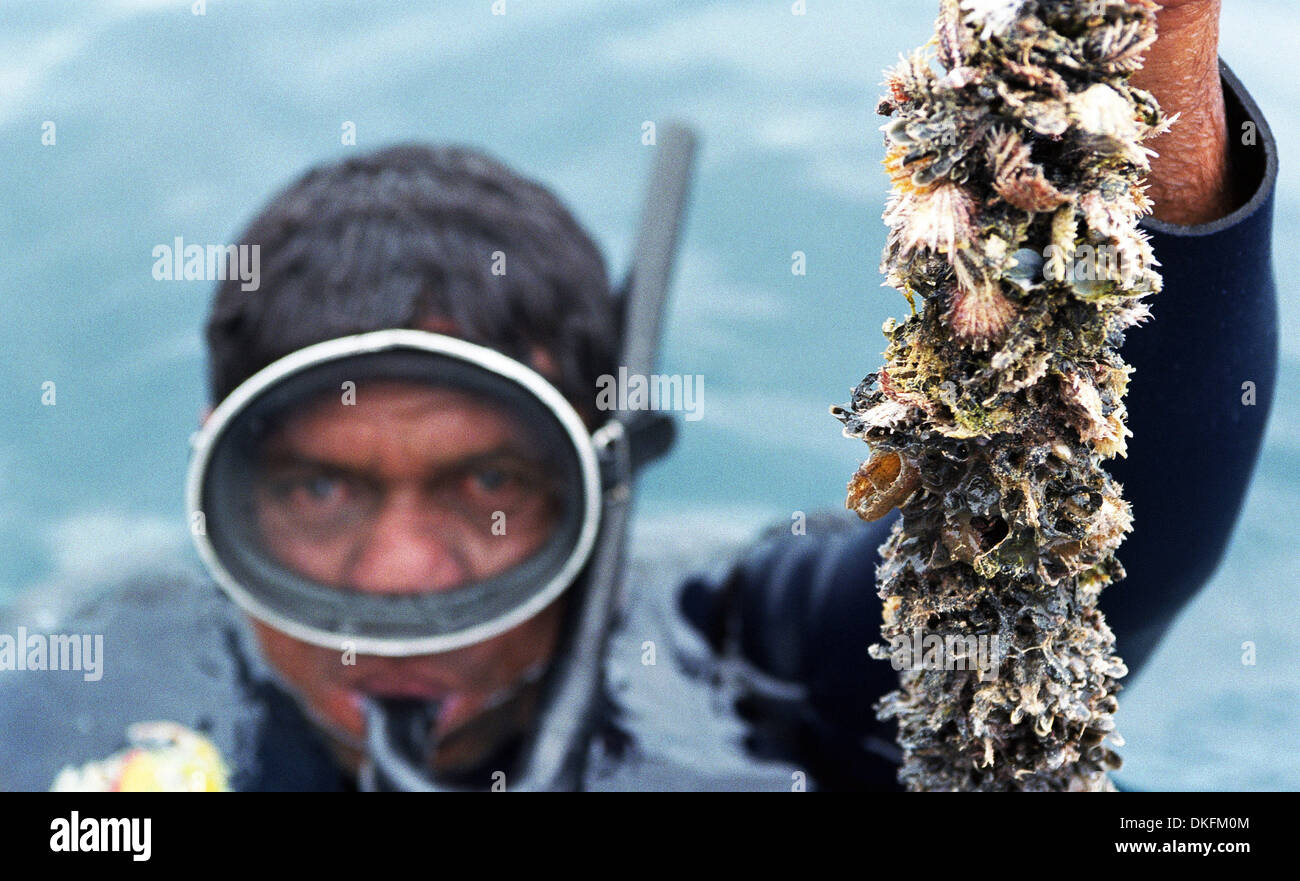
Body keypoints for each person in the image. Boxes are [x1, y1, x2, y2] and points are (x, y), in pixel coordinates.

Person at [0, 0, 1278, 790]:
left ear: (600, 475)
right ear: (219, 487)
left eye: (489, 482)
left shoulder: (756, 662)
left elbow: (1078, 546)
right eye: (319, 484)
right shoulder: (66, 689)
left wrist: (1146, 54)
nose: (396, 582)